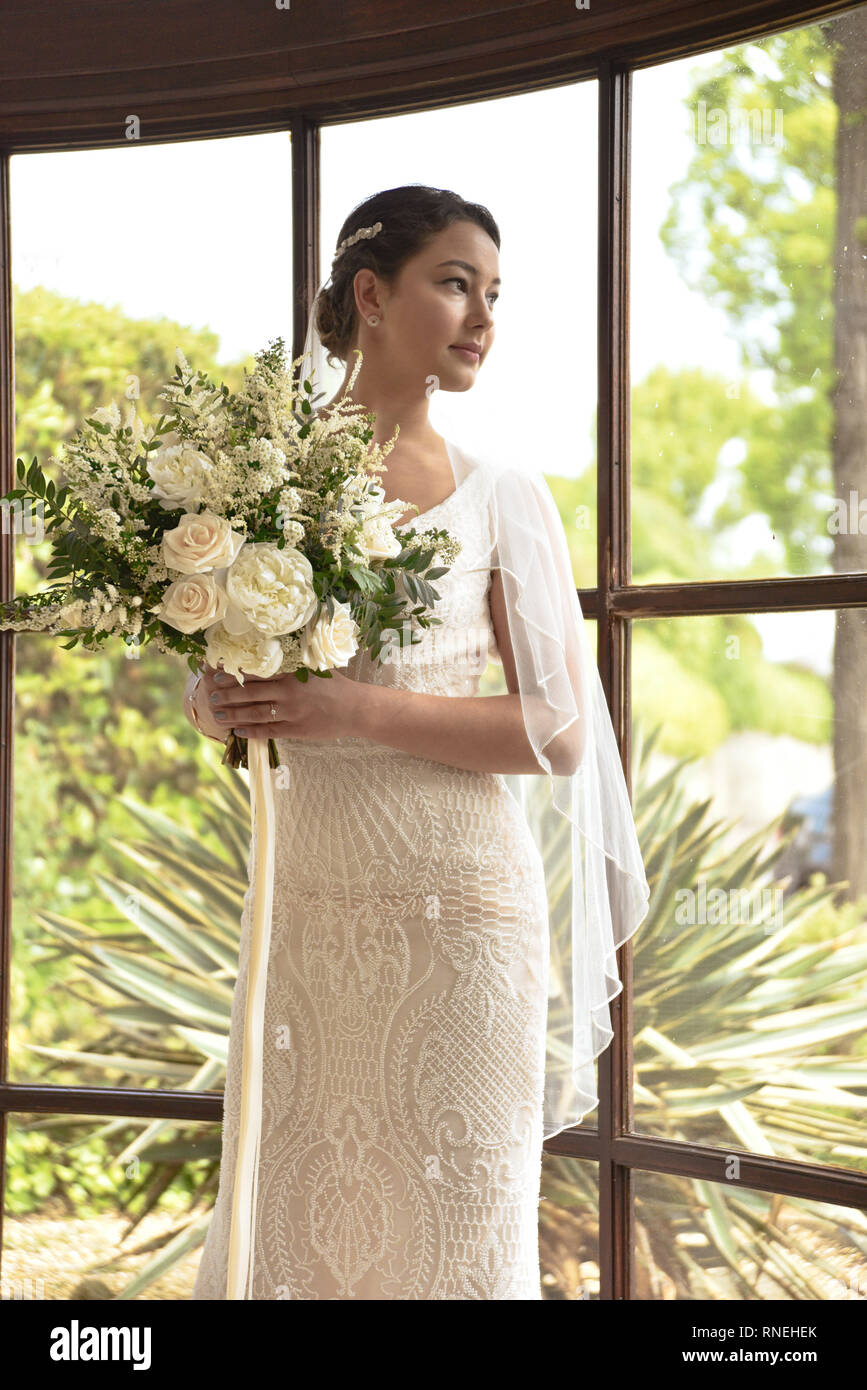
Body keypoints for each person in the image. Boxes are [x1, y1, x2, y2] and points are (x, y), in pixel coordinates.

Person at [187, 185, 648, 1299]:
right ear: (371, 295)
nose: (484, 314)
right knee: (294, 1220)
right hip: (305, 910)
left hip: (463, 923)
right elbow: (220, 691)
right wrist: (222, 702)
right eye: (456, 283)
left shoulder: (504, 499)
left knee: (455, 1233)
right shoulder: (256, 487)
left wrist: (351, 708)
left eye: (494, 294)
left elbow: (561, 732)